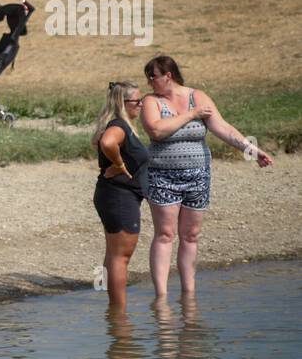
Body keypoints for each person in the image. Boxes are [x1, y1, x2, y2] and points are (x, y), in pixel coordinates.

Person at [140, 54, 273, 300]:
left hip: (198, 175)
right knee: (165, 234)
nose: (149, 82)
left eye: (153, 76)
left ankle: (188, 295)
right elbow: (157, 130)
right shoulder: (152, 101)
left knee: (191, 236)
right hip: (163, 176)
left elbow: (224, 128)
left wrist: (252, 151)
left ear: (168, 76)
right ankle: (161, 297)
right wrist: (191, 115)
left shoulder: (197, 97)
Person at [92, 81, 149, 309]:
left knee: (113, 253)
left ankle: (111, 307)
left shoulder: (119, 125)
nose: (141, 104)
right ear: (123, 103)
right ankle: (119, 314)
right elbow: (107, 142)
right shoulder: (118, 126)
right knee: (120, 257)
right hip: (119, 197)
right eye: (137, 101)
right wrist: (119, 164)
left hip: (113, 196)